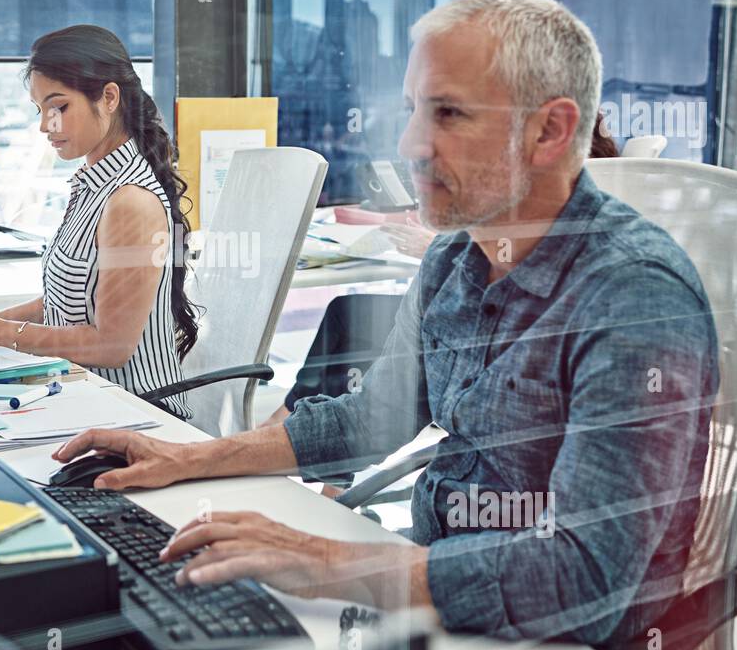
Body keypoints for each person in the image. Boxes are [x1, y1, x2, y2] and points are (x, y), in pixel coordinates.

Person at [52, 0, 720, 648]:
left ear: (549, 131)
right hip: (437, 597)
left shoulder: (633, 296)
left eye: (449, 113)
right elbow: (374, 419)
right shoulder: (459, 255)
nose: (409, 144)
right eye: (412, 111)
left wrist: (327, 563)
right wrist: (189, 457)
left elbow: (583, 578)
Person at [262, 107, 623, 433]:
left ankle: (295, 429)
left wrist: (435, 248)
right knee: (348, 316)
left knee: (352, 323)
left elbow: (531, 271)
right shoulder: (598, 185)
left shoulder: (558, 191)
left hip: (494, 330)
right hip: (488, 321)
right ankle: (299, 429)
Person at [0, 25, 198, 418]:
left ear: (108, 98)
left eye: (59, 107)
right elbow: (64, 304)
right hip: (85, 396)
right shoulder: (92, 186)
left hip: (138, 415)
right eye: (40, 110)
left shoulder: (131, 202)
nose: (44, 125)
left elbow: (111, 346)